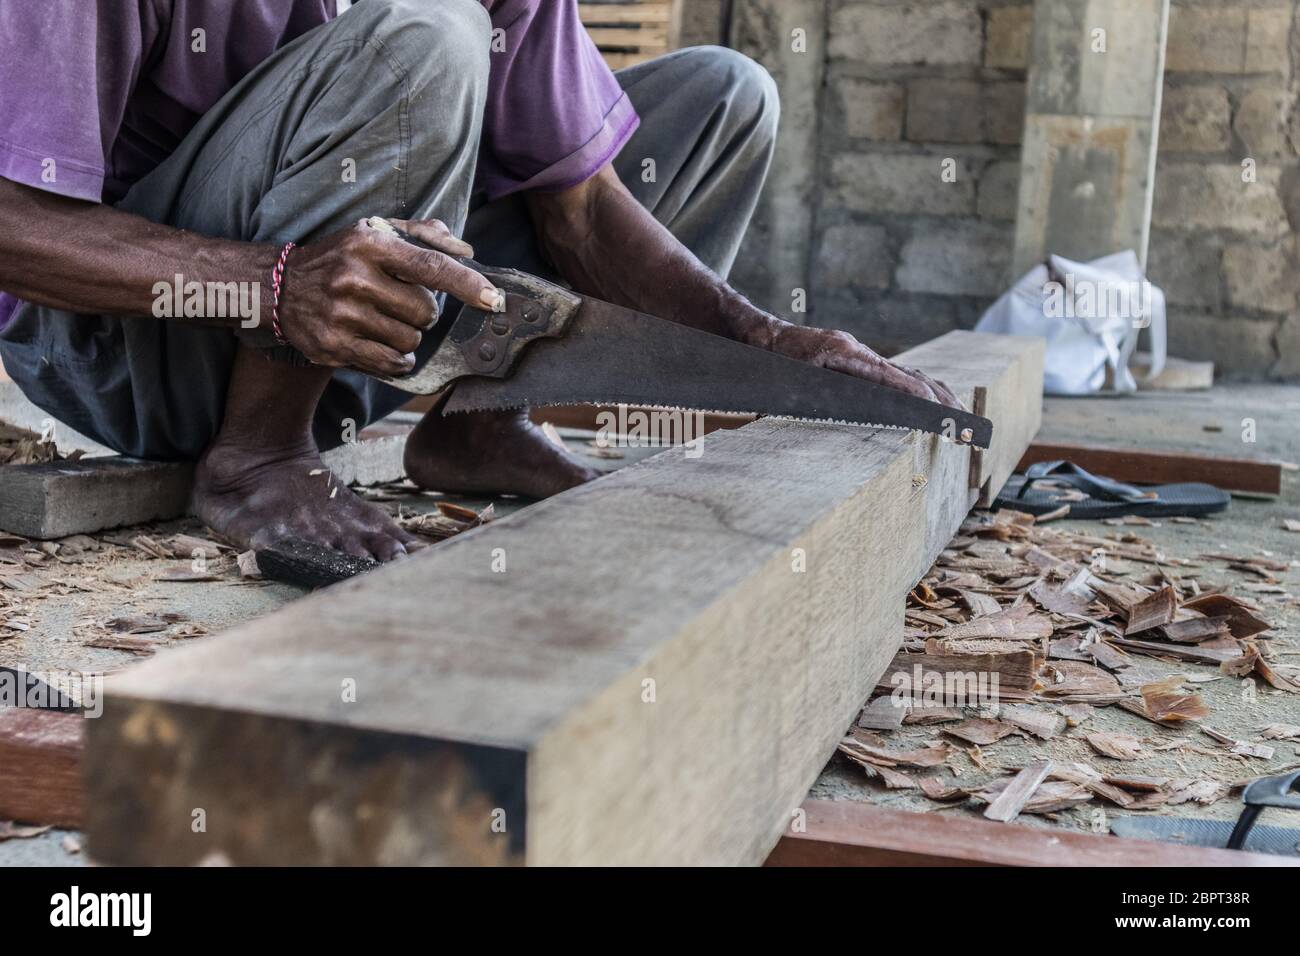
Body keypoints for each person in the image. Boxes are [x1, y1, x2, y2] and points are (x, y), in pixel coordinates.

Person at [0, 0, 958, 561]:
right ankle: (258, 458)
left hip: (359, 329)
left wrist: (762, 339)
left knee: (723, 97)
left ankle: (479, 420)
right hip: (129, 348)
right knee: (425, 39)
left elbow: (575, 209)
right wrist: (272, 282)